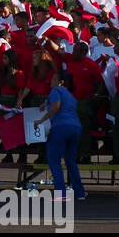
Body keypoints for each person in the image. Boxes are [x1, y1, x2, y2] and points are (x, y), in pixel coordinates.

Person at [33, 73, 87, 202]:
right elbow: (59, 103)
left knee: (54, 161)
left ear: (61, 82)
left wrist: (41, 121)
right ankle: (80, 193)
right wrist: (46, 103)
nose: (50, 81)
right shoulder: (71, 95)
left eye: (53, 78)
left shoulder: (55, 90)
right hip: (76, 128)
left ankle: (60, 194)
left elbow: (56, 107)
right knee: (70, 161)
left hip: (60, 128)